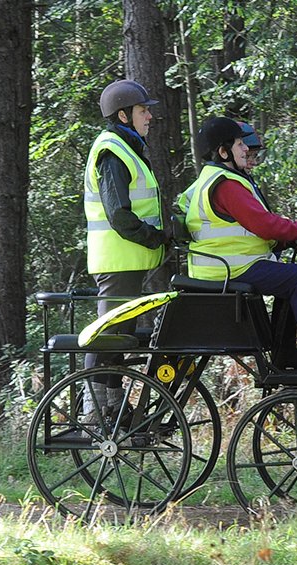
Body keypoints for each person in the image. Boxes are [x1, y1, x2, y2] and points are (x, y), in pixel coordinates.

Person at [178, 116, 297, 368]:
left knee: (292, 278)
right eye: (239, 144)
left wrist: (287, 241)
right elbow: (264, 224)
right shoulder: (226, 185)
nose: (246, 149)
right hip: (228, 269)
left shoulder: (217, 179)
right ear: (224, 152)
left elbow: (244, 231)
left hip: (226, 266)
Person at [83, 79, 174, 414]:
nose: (149, 116)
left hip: (127, 262)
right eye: (142, 110)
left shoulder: (126, 148)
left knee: (120, 336)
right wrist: (155, 237)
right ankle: (93, 412)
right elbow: (119, 216)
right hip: (116, 261)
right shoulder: (112, 153)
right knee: (106, 335)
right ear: (123, 116)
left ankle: (112, 405)